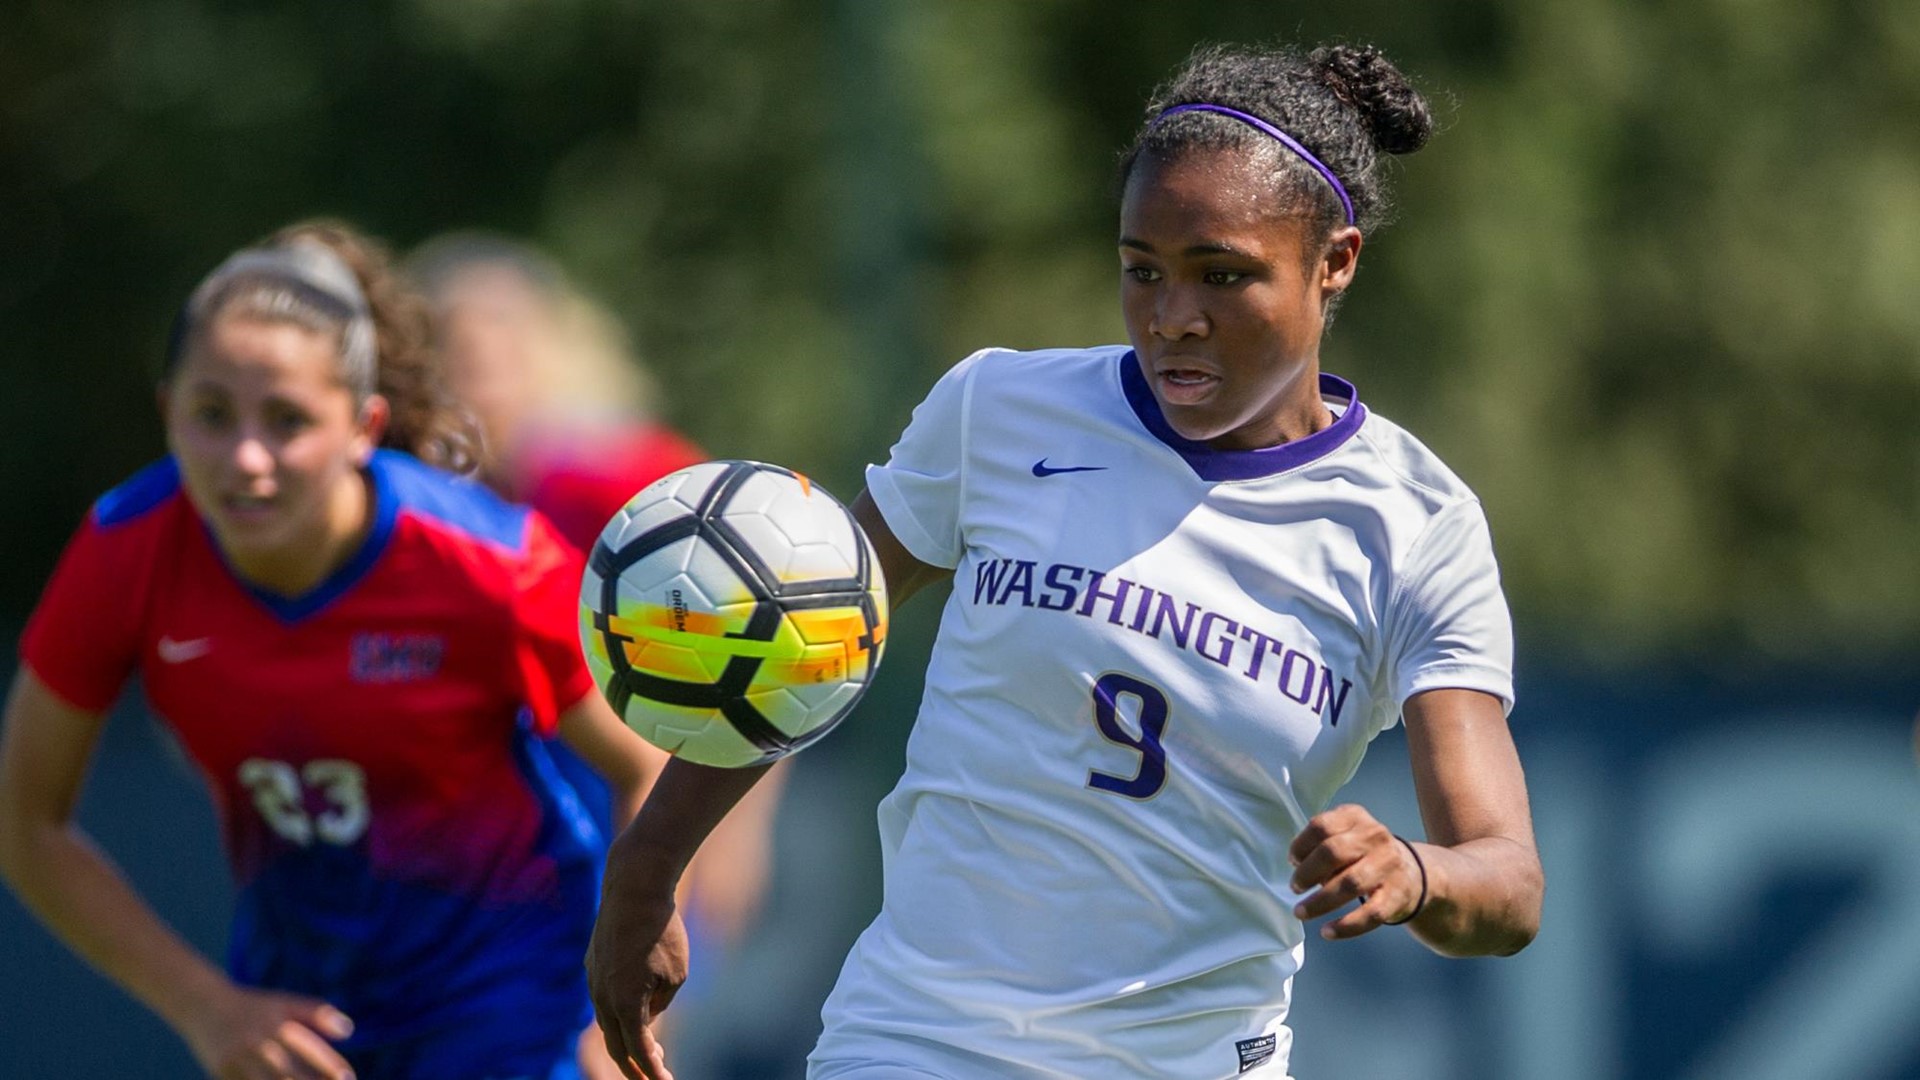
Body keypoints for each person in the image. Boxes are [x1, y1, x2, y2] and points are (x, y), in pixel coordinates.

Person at [587, 40, 1546, 1080]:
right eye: (1143, 270)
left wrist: (1415, 872)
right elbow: (792, 642)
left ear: (1335, 264)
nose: (1173, 316)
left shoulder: (1414, 525)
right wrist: (644, 872)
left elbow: (1509, 886)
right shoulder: (999, 410)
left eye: (1224, 275)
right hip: (921, 1037)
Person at [0, 221, 663, 1080]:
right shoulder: (125, 551)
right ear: (167, 411)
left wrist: (623, 977)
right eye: (211, 414)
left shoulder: (488, 562)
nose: (246, 457)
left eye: (287, 421)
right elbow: (28, 824)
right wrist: (204, 1005)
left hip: (512, 994)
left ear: (363, 425)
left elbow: (646, 760)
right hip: (299, 1010)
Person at [409, 233, 789, 960]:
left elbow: (778, 624)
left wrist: (739, 829)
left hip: (637, 822)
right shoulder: (417, 509)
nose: (474, 385)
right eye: (451, 362)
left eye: (492, 359)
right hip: (484, 860)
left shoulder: (617, 485)